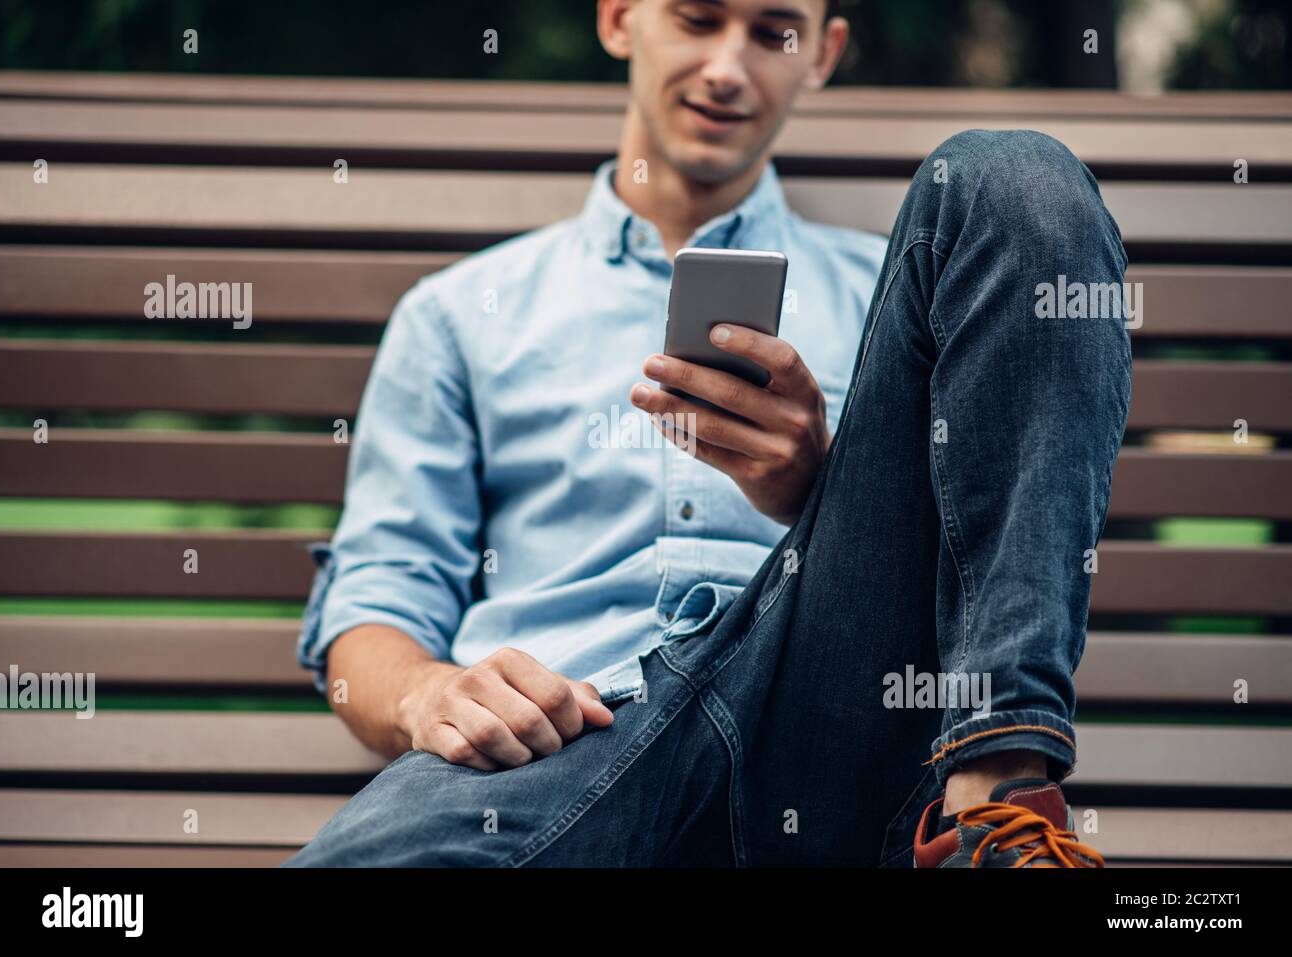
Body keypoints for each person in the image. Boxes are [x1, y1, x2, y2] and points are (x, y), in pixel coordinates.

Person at [285, 0, 1127, 867]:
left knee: (1014, 176)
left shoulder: (915, 287)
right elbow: (375, 605)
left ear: (824, 53)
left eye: (773, 33)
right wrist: (429, 693)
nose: (729, 67)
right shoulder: (459, 315)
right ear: (617, 18)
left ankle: (1000, 803)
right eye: (696, 18)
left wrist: (818, 487)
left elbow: (974, 559)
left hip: (839, 748)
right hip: (567, 739)